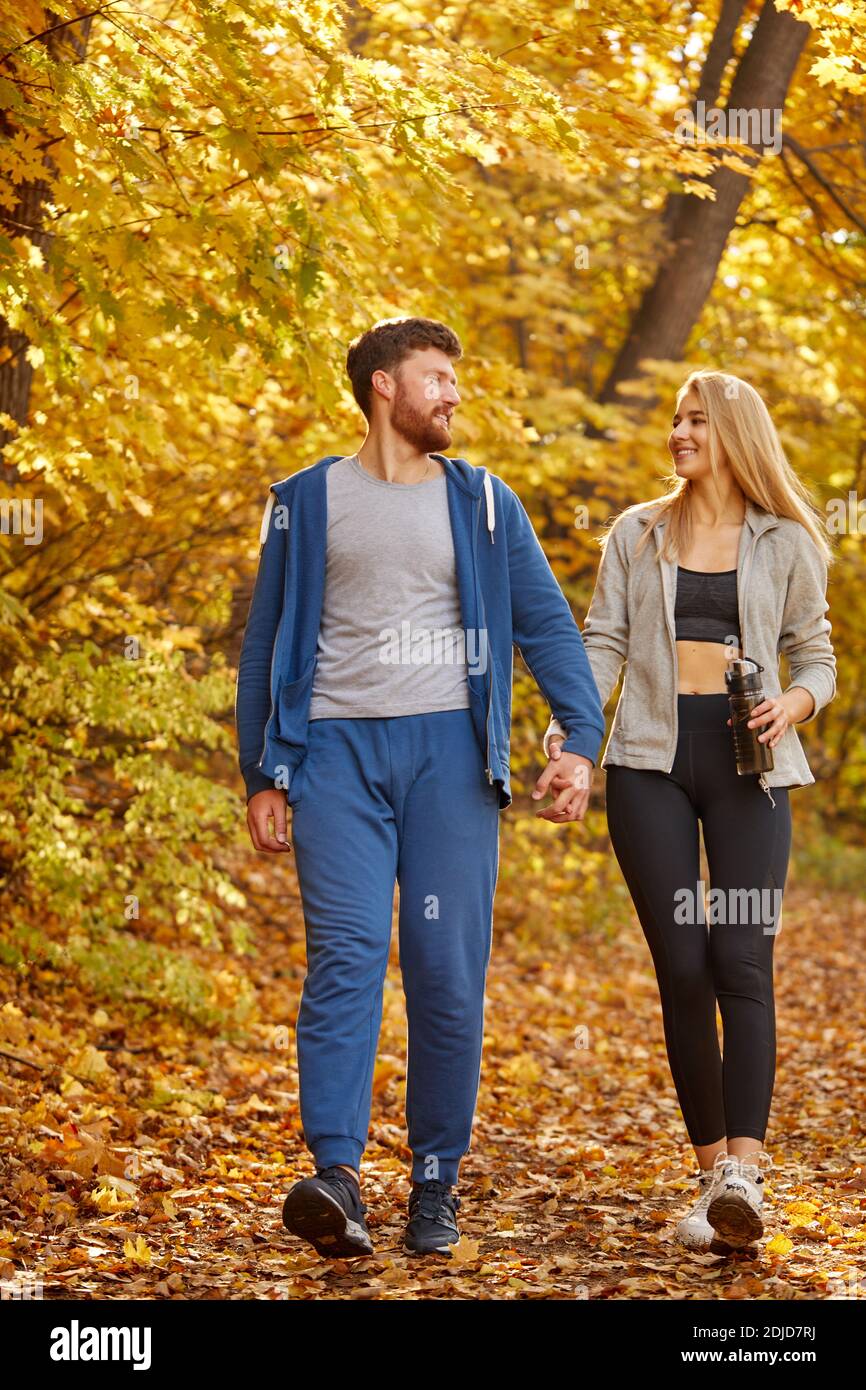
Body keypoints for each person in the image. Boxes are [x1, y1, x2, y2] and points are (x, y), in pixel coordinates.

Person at [235, 317, 605, 1258]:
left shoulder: (483, 504)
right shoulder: (304, 502)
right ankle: (337, 1174)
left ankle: (433, 1180)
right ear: (382, 387)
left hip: (448, 760)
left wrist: (581, 741)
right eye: (436, 377)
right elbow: (264, 643)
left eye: (456, 380)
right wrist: (263, 772)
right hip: (334, 759)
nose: (453, 394)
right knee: (348, 958)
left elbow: (549, 629)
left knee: (443, 971)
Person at [537, 370, 836, 1253]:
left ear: (735, 432)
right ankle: (711, 1180)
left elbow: (814, 655)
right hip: (650, 766)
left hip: (752, 766)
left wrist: (796, 706)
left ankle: (747, 1171)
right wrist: (575, 741)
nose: (678, 432)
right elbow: (603, 641)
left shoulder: (787, 541)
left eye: (695, 420)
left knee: (741, 954)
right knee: (683, 963)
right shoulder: (637, 533)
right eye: (674, 419)